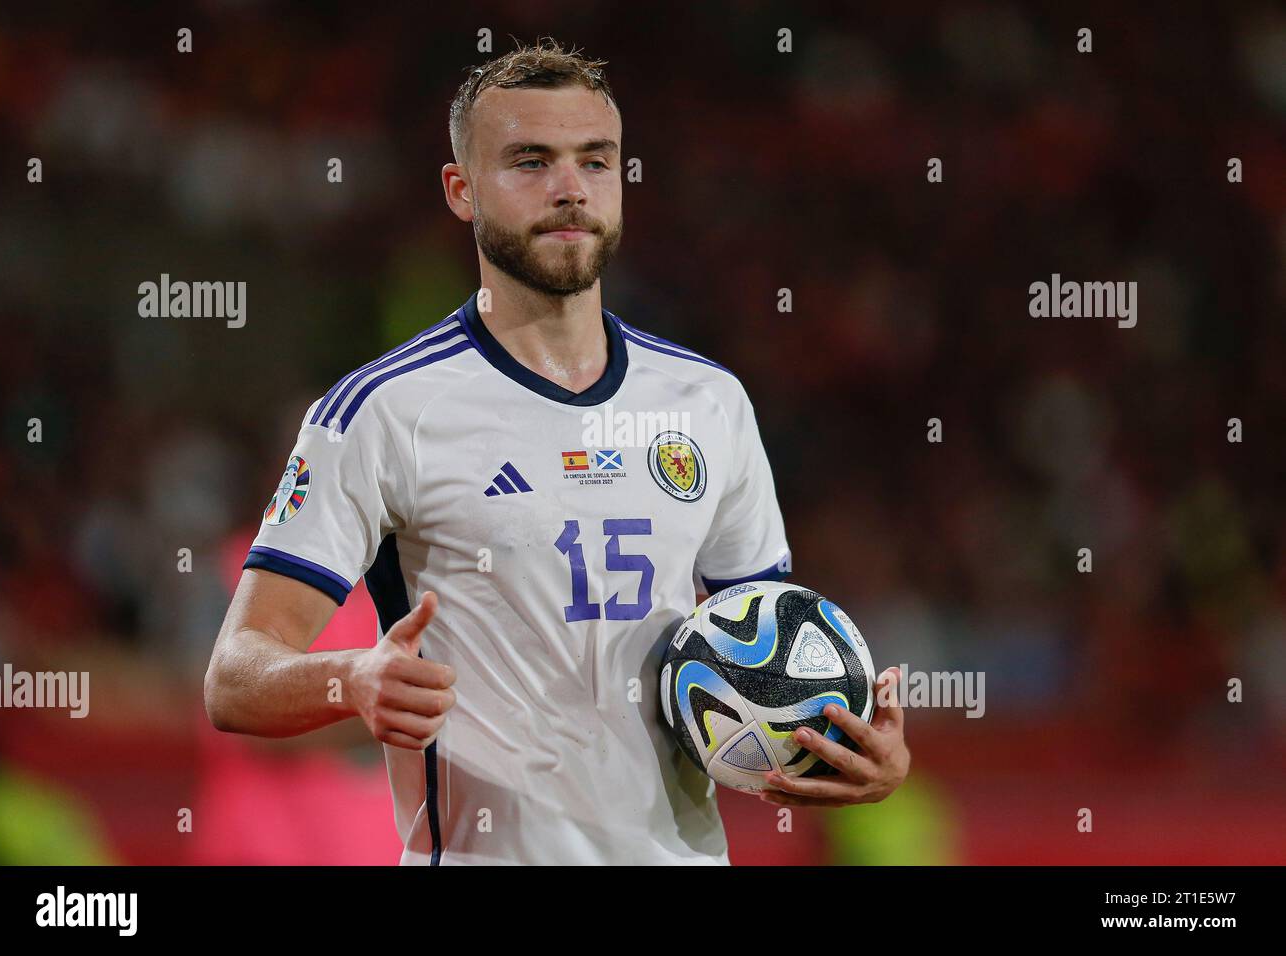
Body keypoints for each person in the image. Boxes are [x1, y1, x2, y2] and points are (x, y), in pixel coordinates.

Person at [204, 37, 908, 865]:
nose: (570, 189)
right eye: (530, 162)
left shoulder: (708, 402)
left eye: (595, 161)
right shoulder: (378, 413)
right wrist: (350, 680)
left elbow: (767, 664)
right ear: (461, 191)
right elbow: (235, 678)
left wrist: (857, 750)